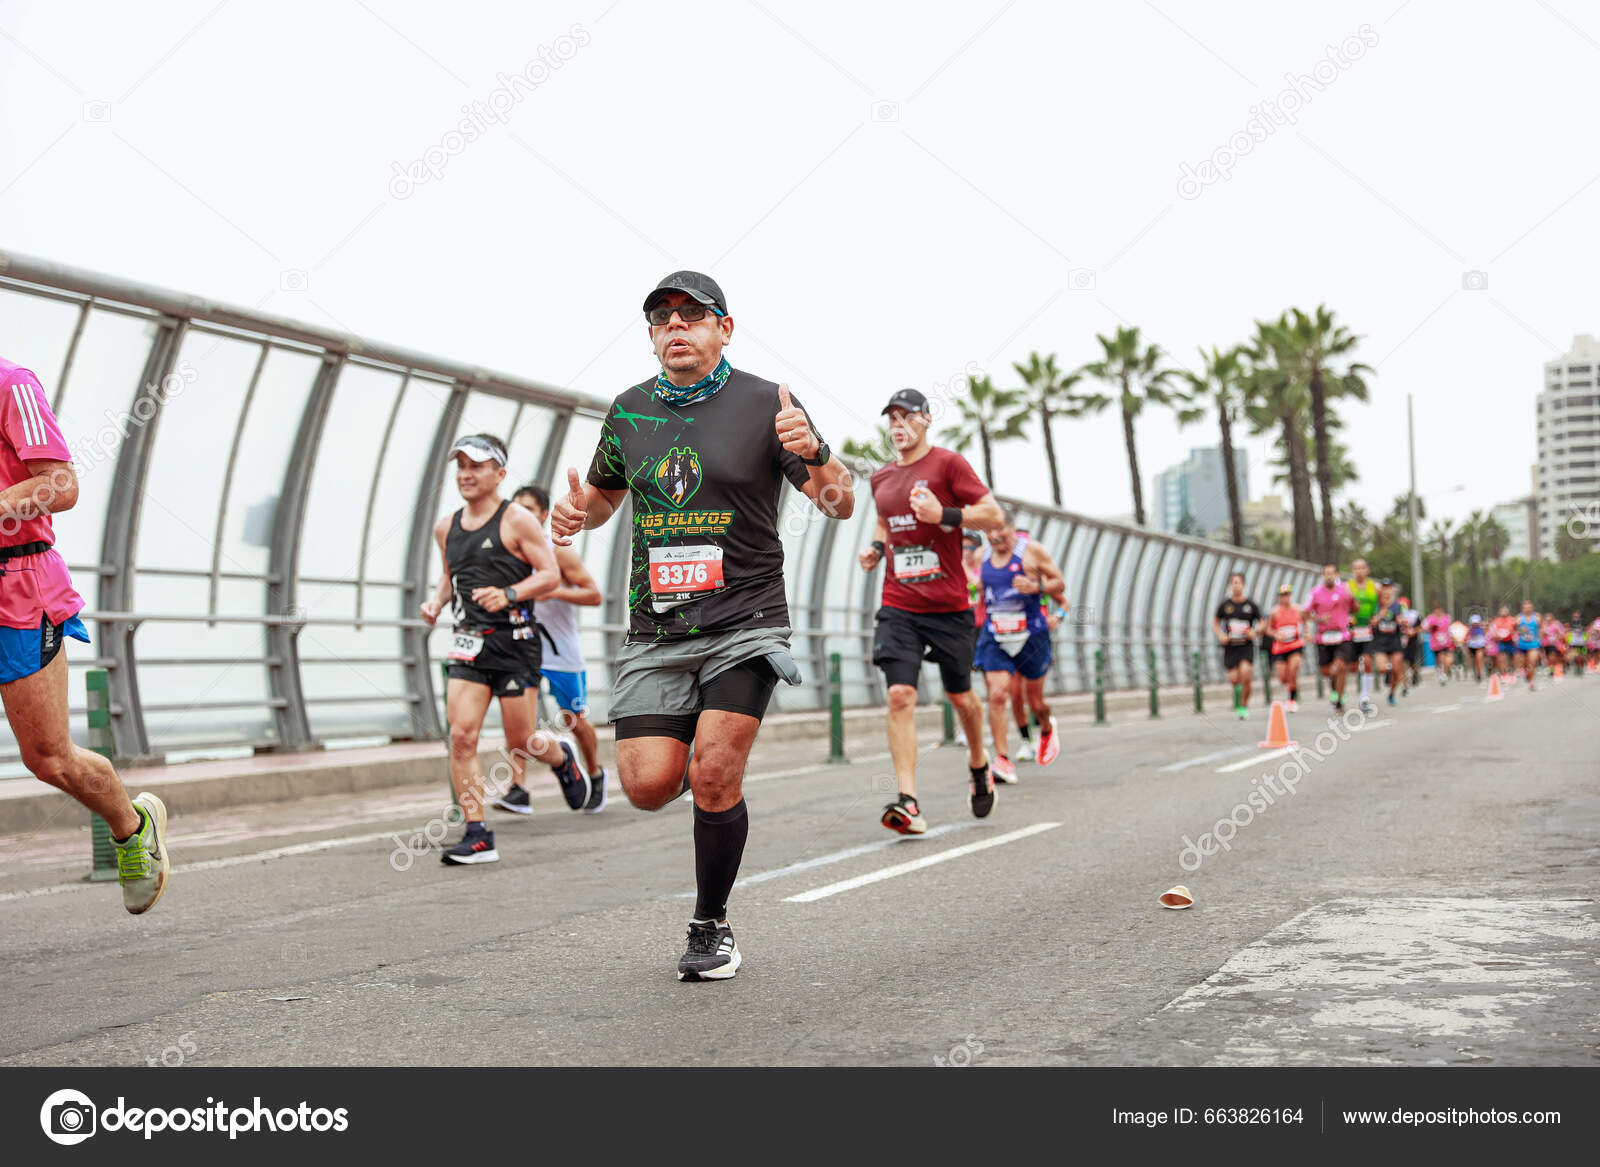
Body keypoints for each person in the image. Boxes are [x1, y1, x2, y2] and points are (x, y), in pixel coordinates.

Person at [549, 271, 853, 981]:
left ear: (725, 328)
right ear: (652, 334)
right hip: (658, 630)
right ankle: (708, 780)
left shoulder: (766, 404)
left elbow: (837, 502)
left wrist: (812, 449)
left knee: (714, 771)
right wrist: (575, 515)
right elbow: (601, 500)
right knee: (650, 785)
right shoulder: (629, 412)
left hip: (745, 618)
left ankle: (711, 923)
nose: (676, 325)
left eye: (693, 314)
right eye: (662, 317)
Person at [0, 356, 170, 914]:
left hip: (19, 587)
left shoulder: (12, 384)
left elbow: (61, 485)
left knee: (48, 758)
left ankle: (131, 826)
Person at [420, 434, 589, 865]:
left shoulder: (517, 520)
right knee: (461, 736)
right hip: (469, 644)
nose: (466, 474)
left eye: (476, 466)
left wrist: (510, 593)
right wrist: (436, 602)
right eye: (461, 466)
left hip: (515, 643)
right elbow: (450, 573)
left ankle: (561, 756)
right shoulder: (447, 526)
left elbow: (549, 574)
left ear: (499, 473)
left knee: (521, 740)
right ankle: (477, 834)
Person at [860, 388, 1003, 834]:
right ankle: (909, 801)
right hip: (899, 604)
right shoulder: (881, 478)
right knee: (901, 695)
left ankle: (979, 763)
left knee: (962, 698)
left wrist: (946, 513)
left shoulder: (948, 464)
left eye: (906, 417)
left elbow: (993, 515)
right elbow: (886, 519)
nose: (898, 426)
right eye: (892, 419)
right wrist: (876, 548)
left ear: (925, 420)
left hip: (949, 607)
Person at [493, 484, 608, 814]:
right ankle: (518, 788)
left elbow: (594, 595)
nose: (520, 515)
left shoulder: (557, 552)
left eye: (528, 509)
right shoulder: (509, 553)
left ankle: (596, 773)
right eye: (515, 508)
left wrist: (552, 591)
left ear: (543, 515)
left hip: (561, 652)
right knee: (518, 724)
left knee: (574, 719)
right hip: (523, 651)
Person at [974, 507, 1065, 780]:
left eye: (1000, 529)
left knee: (1035, 701)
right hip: (995, 633)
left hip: (1031, 635)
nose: (995, 535)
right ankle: (1002, 760)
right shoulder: (982, 555)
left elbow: (1059, 584)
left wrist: (1036, 588)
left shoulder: (1032, 551)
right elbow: (978, 587)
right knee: (998, 695)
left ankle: (1047, 727)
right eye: (989, 531)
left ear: (1012, 528)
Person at [1303, 563, 1354, 711]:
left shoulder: (1344, 591)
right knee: (1326, 671)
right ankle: (1335, 688)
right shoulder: (1315, 592)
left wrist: (1351, 597)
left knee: (1340, 666)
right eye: (1326, 573)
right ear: (1322, 576)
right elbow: (1304, 613)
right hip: (1323, 637)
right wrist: (1317, 619)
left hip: (1342, 635)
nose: (1329, 576)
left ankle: (1340, 698)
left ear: (1337, 575)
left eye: (1332, 573)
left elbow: (1355, 607)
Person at [1213, 572, 1263, 719]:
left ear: (1243, 585)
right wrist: (1221, 635)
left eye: (1239, 582)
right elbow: (1215, 623)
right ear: (1230, 585)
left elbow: (1262, 623)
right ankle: (1240, 695)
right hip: (1230, 647)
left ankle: (1244, 704)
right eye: (1233, 582)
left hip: (1246, 646)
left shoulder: (1251, 605)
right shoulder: (1225, 605)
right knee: (1234, 679)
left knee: (1246, 673)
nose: (1236, 585)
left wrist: (1255, 632)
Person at [1346, 558, 1380, 714]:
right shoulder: (1347, 587)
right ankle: (1356, 670)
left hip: (1368, 630)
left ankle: (1364, 697)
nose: (1359, 571)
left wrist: (1377, 617)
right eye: (1356, 568)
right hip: (1352, 630)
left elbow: (1386, 604)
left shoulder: (1375, 587)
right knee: (1352, 667)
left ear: (1368, 570)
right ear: (1353, 571)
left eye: (1362, 568)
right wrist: (1347, 617)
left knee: (1367, 661)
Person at [1266, 584, 1304, 711]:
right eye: (1282, 595)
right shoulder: (1274, 612)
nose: (1285, 598)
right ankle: (1291, 687)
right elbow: (1268, 629)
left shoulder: (1297, 609)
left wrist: (1307, 633)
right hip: (1280, 647)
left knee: (1293, 670)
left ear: (1290, 595)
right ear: (1279, 597)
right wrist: (1276, 634)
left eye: (1287, 594)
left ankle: (1292, 699)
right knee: (1283, 677)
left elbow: (1305, 622)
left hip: (1295, 645)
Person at [1369, 579, 1407, 706]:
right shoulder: (1375, 605)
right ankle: (1387, 673)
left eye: (1388, 588)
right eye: (1384, 588)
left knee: (1397, 669)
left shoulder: (1397, 606)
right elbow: (1372, 622)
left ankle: (1391, 693)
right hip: (1380, 641)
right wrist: (1380, 615)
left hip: (1394, 640)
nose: (1386, 590)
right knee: (1382, 668)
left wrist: (1402, 622)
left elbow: (1401, 619)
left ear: (1392, 590)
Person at [1422, 603, 1454, 685]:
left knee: (1448, 660)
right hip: (1436, 644)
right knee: (1440, 659)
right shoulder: (1430, 618)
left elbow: (1450, 629)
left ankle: (1444, 674)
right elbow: (1424, 628)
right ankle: (1441, 671)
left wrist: (1453, 637)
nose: (1438, 612)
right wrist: (1431, 627)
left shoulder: (1447, 618)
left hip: (1446, 643)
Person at [1514, 601, 1541, 689]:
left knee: (1532, 662)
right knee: (1524, 664)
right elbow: (1515, 630)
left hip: (1534, 644)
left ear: (1532, 608)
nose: (1527, 609)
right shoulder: (1519, 618)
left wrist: (1540, 641)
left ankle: (1532, 682)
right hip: (1522, 644)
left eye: (1529, 607)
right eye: (1526, 607)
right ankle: (1527, 673)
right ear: (1523, 608)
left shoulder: (1537, 617)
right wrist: (1522, 631)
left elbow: (1541, 628)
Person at [1399, 595, 1422, 692]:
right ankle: (1404, 685)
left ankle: (1415, 674)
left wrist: (1413, 631)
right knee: (1401, 662)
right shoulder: (1396, 615)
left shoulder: (1414, 615)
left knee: (1411, 662)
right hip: (1400, 641)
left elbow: (1420, 627)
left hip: (1412, 641)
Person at [1490, 605, 1518, 680]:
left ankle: (1512, 673)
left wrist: (1515, 636)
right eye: (1502, 611)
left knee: (1512, 658)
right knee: (1501, 659)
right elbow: (1493, 630)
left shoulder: (1513, 620)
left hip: (1511, 641)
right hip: (1501, 642)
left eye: (1505, 611)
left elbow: (1517, 630)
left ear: (1508, 612)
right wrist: (1496, 636)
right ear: (1499, 612)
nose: (1503, 612)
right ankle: (1503, 675)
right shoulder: (1496, 621)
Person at [1463, 613, 1487, 682]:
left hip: (1480, 646)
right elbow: (1464, 639)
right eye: (1474, 623)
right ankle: (1471, 669)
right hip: (1471, 647)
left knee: (1479, 658)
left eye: (1476, 622)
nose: (1475, 624)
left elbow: (1487, 636)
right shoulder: (1468, 630)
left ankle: (1479, 672)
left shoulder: (1482, 629)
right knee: (1470, 659)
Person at [1567, 609, 1586, 677]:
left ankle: (1581, 668)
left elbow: (1584, 630)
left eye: (1577, 614)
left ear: (1579, 615)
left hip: (1581, 641)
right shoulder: (1571, 622)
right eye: (1574, 615)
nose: (1576, 616)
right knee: (1575, 655)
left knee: (1581, 656)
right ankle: (1577, 668)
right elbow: (1568, 630)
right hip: (1574, 641)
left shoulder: (1582, 622)